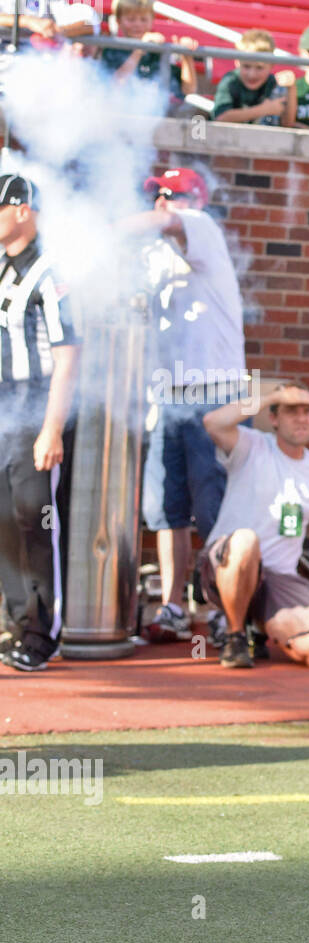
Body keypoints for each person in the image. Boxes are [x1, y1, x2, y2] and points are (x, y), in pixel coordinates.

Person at [121, 167, 245, 645]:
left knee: (213, 507)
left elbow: (162, 223)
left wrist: (105, 229)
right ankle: (174, 606)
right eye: (156, 195)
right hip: (168, 393)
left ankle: (220, 609)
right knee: (166, 508)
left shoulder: (203, 228)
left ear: (191, 200)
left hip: (216, 392)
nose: (159, 203)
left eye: (168, 195)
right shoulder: (156, 257)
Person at [200, 384, 309, 669]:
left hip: (279, 581)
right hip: (225, 568)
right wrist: (274, 395)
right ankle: (234, 636)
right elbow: (213, 421)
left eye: (308, 411)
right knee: (246, 541)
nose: (302, 418)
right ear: (275, 418)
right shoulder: (251, 444)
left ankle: (259, 627)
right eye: (292, 411)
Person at [0, 174, 80, 674]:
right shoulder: (3, 269)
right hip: (4, 405)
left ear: (21, 209)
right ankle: (15, 621)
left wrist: (51, 427)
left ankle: (42, 632)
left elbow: (68, 357)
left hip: (35, 405)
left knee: (37, 518)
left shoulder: (50, 272)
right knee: (4, 518)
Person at [101, 0, 198, 108]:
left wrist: (186, 55)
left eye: (143, 19)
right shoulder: (112, 49)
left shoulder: (159, 50)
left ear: (152, 21)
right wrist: (140, 50)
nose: (137, 24)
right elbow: (116, 85)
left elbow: (188, 90)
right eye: (131, 19)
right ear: (118, 21)